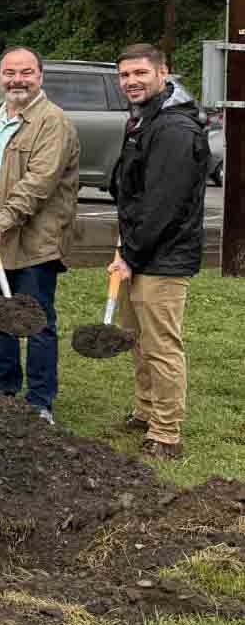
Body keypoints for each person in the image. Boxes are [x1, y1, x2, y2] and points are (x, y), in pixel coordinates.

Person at [0, 46, 79, 425]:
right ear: (0, 76)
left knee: (36, 321)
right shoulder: (0, 113)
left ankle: (39, 403)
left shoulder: (52, 122)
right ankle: (1, 393)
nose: (16, 80)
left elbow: (38, 183)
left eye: (25, 73)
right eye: (9, 73)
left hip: (31, 242)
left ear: (40, 76)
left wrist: (3, 220)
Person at [107, 43, 209, 460]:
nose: (131, 81)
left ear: (163, 73)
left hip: (164, 256)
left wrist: (130, 253)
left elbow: (162, 205)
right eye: (125, 75)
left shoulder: (174, 129)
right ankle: (146, 411)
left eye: (140, 74)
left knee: (161, 344)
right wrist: (125, 247)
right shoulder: (145, 119)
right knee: (137, 338)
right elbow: (133, 192)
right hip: (140, 250)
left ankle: (166, 433)